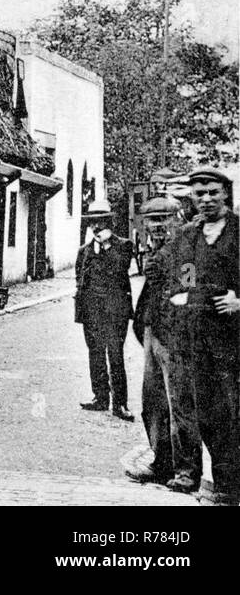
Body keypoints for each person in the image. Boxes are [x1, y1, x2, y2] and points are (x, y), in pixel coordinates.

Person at [163, 167, 239, 505]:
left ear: (225, 193)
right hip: (196, 336)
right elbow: (185, 280)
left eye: (213, 192)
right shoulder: (187, 236)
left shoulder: (238, 231)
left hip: (233, 337)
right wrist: (184, 295)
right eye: (199, 194)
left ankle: (232, 484)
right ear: (191, 198)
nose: (206, 199)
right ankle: (223, 485)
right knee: (207, 412)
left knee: (233, 411)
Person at [127, 197, 200, 488]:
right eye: (151, 221)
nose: (157, 226)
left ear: (177, 218)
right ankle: (161, 461)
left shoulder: (186, 252)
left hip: (176, 338)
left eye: (163, 219)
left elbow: (190, 291)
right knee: (153, 403)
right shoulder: (153, 251)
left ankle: (187, 470)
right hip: (152, 333)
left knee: (180, 405)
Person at [74, 198, 135, 421]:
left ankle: (120, 403)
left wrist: (107, 247)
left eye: (100, 222)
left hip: (115, 312)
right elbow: (80, 278)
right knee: (95, 353)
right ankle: (100, 397)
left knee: (116, 356)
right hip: (92, 312)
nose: (96, 227)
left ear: (109, 222)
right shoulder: (84, 250)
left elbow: (120, 268)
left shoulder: (124, 246)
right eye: (92, 223)